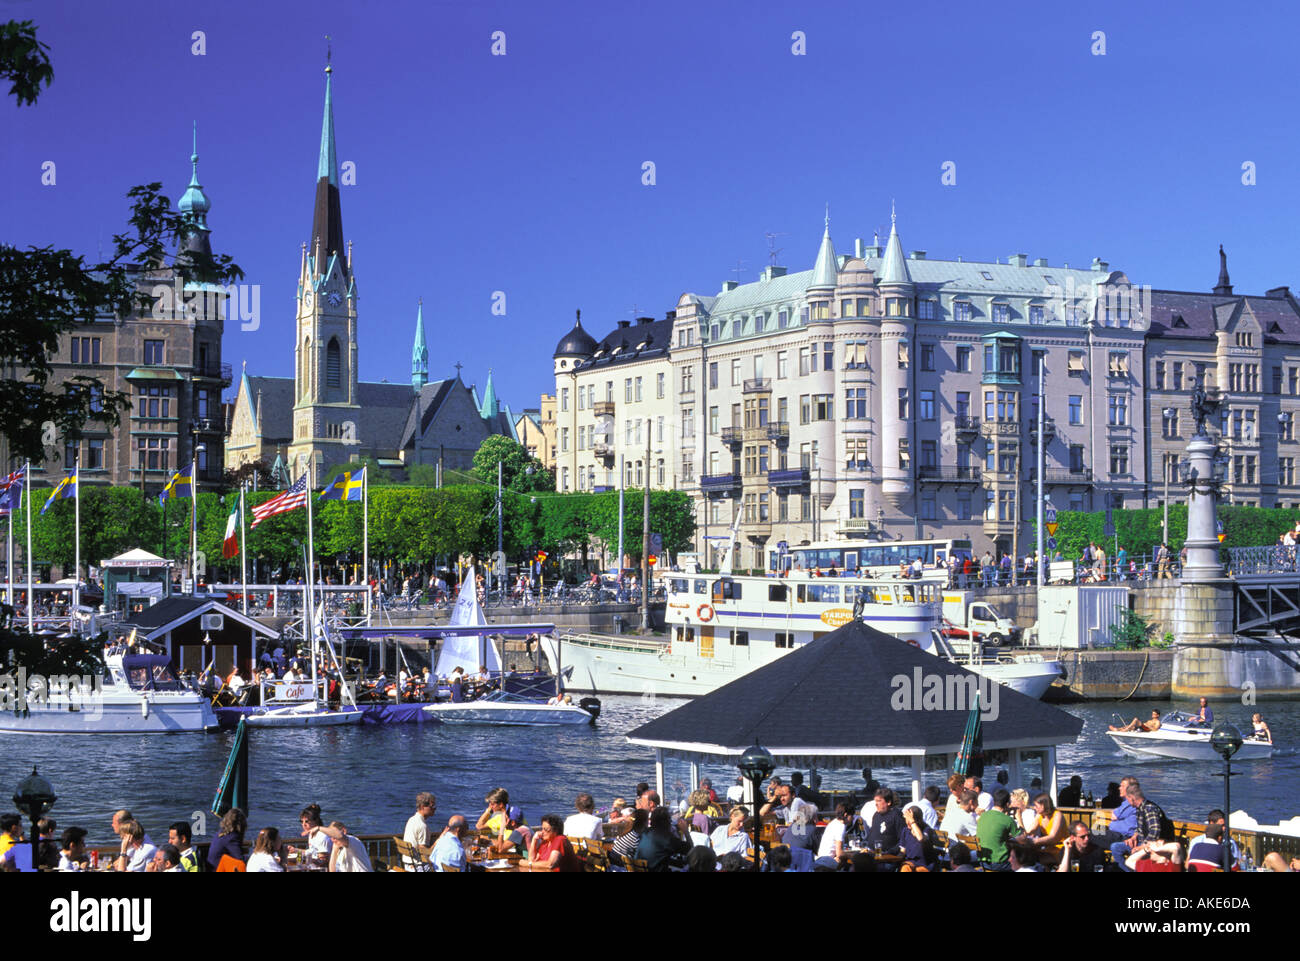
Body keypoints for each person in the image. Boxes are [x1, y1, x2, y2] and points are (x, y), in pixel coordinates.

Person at [634, 807, 691, 871]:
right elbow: (690, 850)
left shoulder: (645, 833)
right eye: (669, 820)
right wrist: (686, 831)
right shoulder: (666, 839)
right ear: (667, 822)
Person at [976, 789, 1018, 871]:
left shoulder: (983, 816)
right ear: (1007, 804)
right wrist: (1019, 818)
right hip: (999, 863)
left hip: (983, 862)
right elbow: (1021, 839)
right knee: (1024, 863)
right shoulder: (1008, 820)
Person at [1028, 793, 1067, 864]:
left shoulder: (1057, 815)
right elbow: (1030, 830)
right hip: (1048, 848)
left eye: (1036, 806)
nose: (1034, 808)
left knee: (1033, 859)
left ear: (1043, 805)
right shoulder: (1039, 815)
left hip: (1061, 849)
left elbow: (1053, 836)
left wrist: (1036, 841)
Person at [865, 789, 906, 857]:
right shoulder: (876, 815)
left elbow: (903, 839)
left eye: (879, 801)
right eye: (875, 801)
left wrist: (889, 852)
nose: (876, 804)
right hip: (872, 853)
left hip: (888, 857)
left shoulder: (896, 815)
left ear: (889, 802)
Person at [815, 802, 855, 870]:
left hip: (821, 859)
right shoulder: (841, 826)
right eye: (852, 816)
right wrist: (853, 856)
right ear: (846, 815)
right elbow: (839, 853)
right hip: (827, 862)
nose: (853, 818)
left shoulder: (834, 822)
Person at [900, 803, 938, 871]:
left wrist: (912, 822)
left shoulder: (926, 829)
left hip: (925, 865)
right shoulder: (905, 830)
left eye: (909, 819)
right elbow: (903, 851)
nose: (907, 822)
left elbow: (920, 838)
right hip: (910, 863)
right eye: (906, 819)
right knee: (905, 868)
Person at [403, 792, 437, 865]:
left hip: (408, 863)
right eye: (432, 806)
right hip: (418, 866)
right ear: (422, 807)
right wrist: (439, 840)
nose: (435, 808)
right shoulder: (422, 826)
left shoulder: (411, 820)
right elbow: (424, 854)